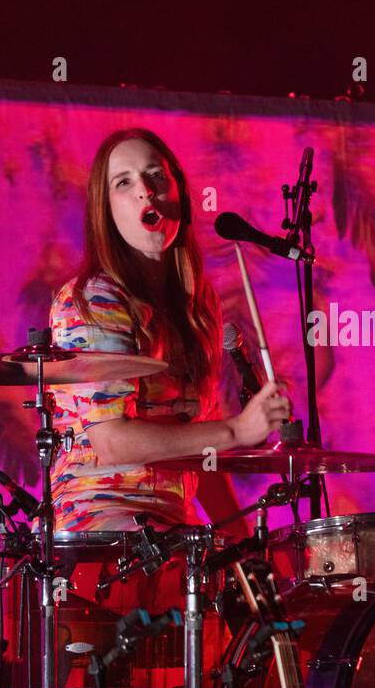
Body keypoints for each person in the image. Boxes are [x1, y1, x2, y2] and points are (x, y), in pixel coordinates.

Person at [48, 127, 292, 541]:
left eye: (156, 176)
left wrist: (242, 539)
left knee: (256, 587)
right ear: (105, 211)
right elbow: (112, 441)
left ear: (178, 192)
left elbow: (198, 445)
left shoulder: (199, 306)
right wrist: (238, 430)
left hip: (174, 521)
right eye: (124, 183)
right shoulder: (94, 299)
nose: (145, 190)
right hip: (102, 521)